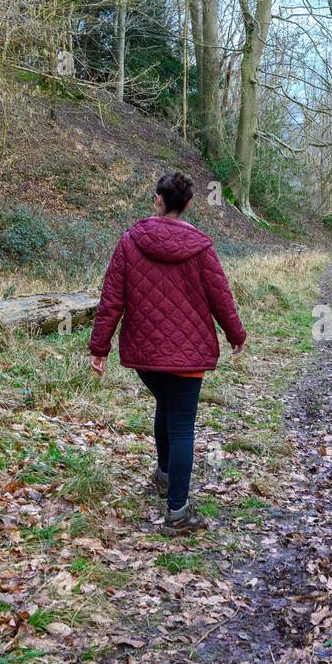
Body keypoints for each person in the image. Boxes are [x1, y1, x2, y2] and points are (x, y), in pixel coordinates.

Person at [89, 171, 247, 533]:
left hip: (146, 355)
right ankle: (177, 511)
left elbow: (111, 299)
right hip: (188, 354)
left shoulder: (129, 241)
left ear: (158, 199)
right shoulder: (201, 247)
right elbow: (221, 298)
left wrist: (100, 347)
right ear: (188, 204)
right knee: (181, 426)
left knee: (166, 404)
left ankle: (164, 475)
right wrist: (236, 334)